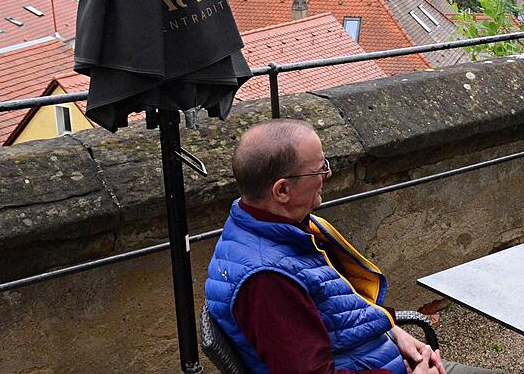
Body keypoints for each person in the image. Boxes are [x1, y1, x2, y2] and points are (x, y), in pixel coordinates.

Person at [205, 120, 500, 374]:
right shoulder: (268, 279)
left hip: (382, 356)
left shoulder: (279, 230)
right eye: (319, 169)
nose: (327, 175)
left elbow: (337, 310)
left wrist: (393, 331)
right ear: (282, 190)